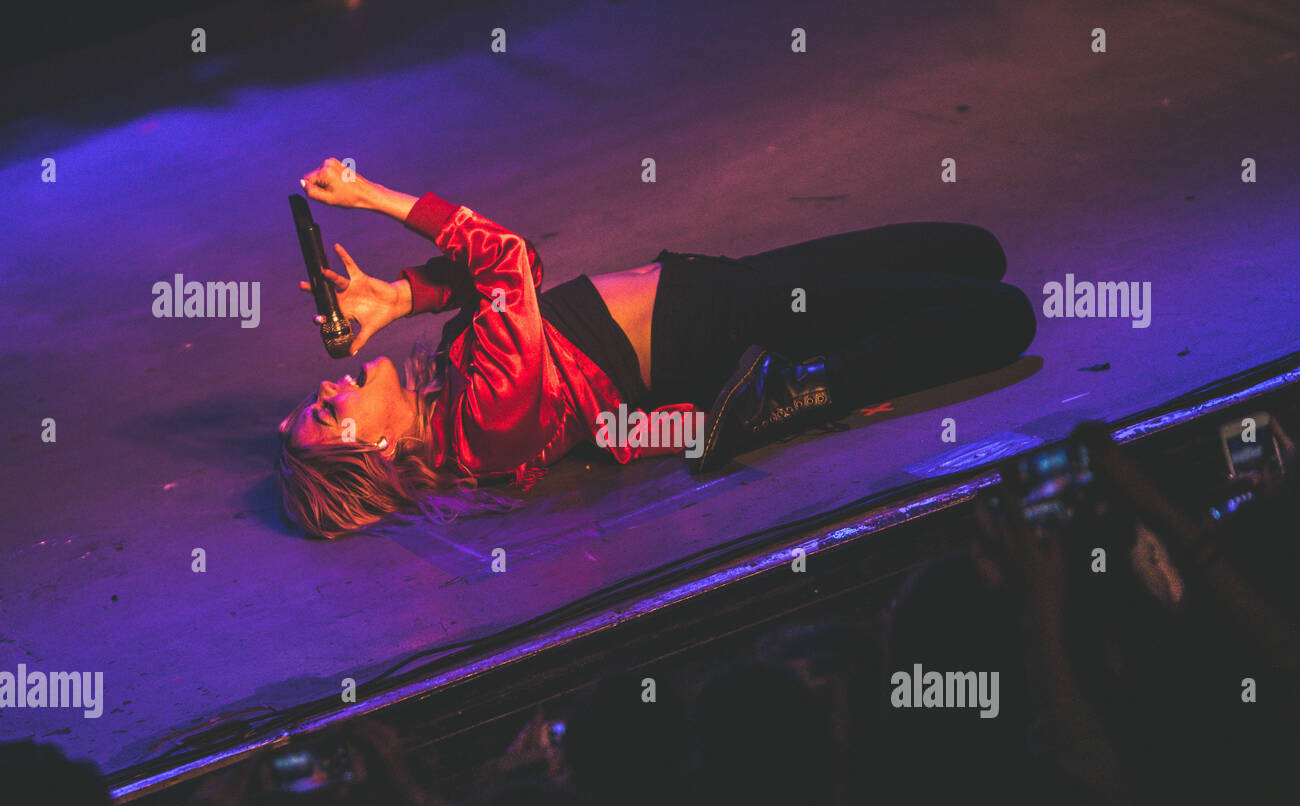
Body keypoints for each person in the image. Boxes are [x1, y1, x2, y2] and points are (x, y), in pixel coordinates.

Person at [278, 158, 1036, 538]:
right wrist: (373, 196)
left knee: (971, 249)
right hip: (719, 323)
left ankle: (839, 371)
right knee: (1000, 317)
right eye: (320, 417)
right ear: (372, 448)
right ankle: (828, 384)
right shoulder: (481, 421)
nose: (322, 390)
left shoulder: (453, 381)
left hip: (721, 291)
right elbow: (503, 255)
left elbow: (523, 280)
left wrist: (397, 296)